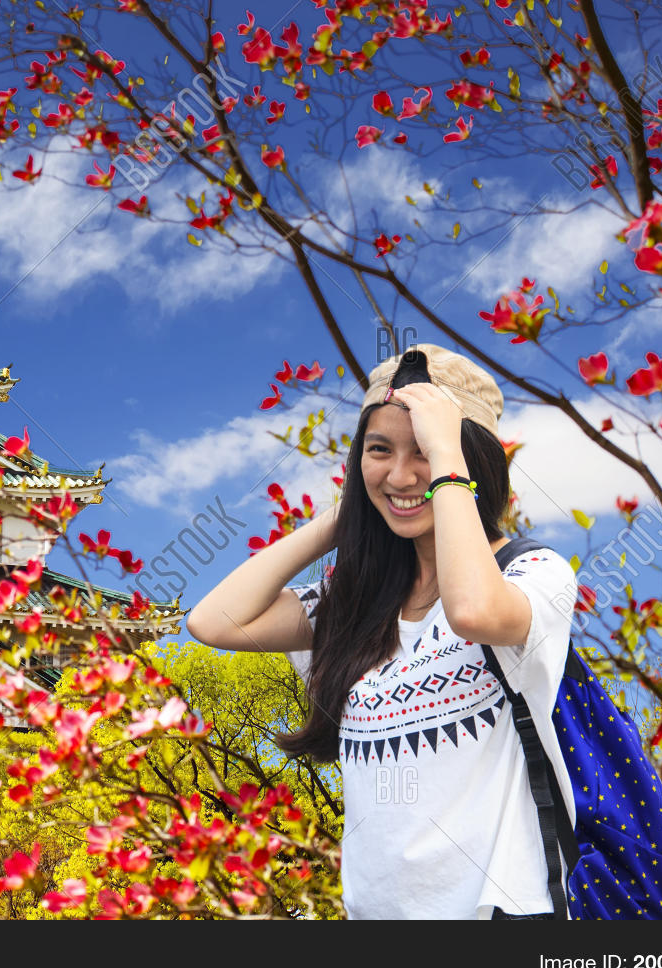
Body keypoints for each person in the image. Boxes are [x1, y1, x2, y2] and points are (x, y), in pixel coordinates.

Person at [187, 343, 578, 919]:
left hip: (502, 910)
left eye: (424, 451)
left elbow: (471, 611)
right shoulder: (353, 604)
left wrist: (447, 454)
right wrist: (348, 515)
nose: (401, 474)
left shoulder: (529, 573)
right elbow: (213, 621)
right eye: (379, 450)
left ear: (471, 462)